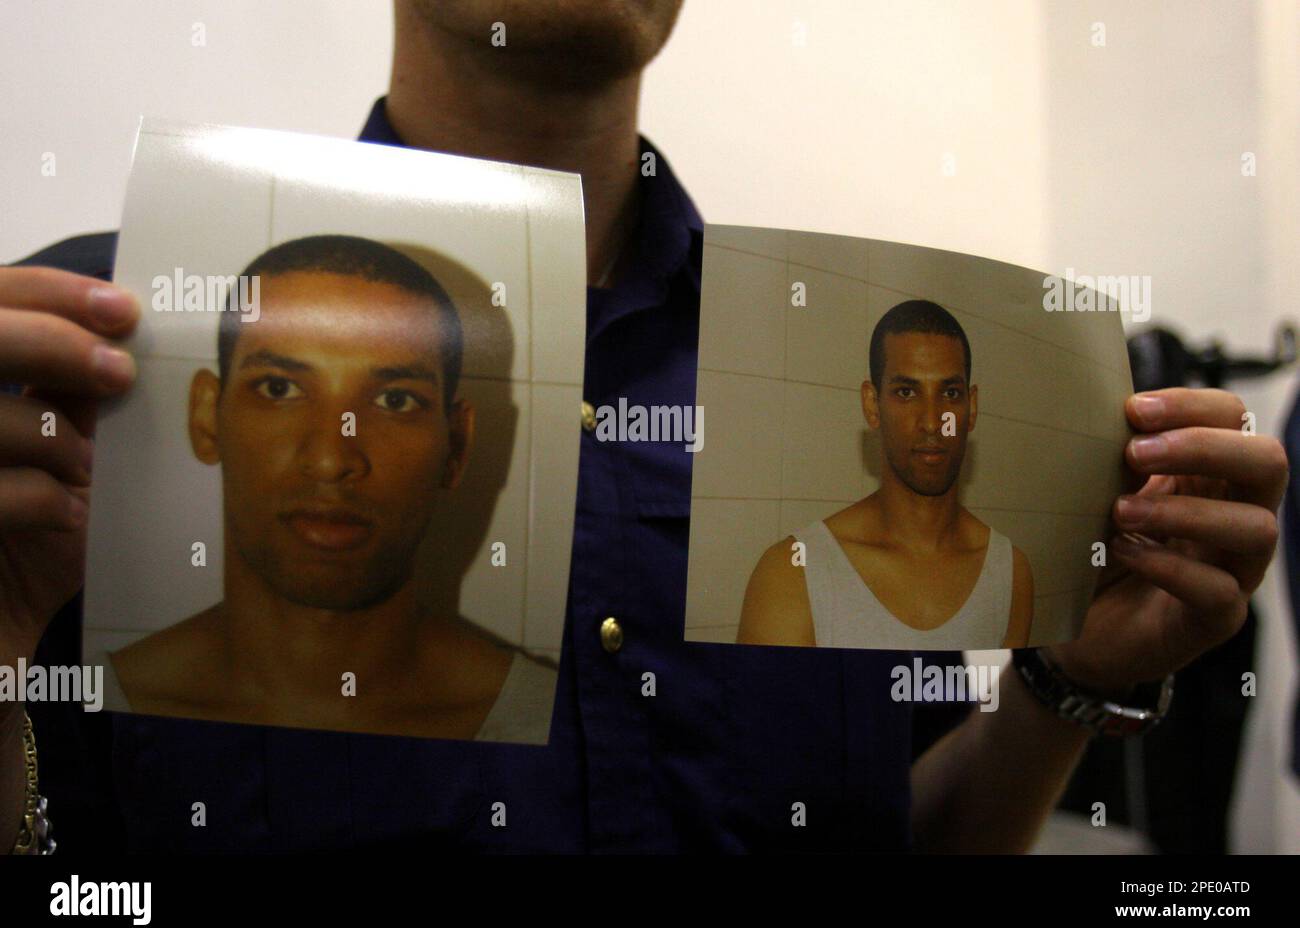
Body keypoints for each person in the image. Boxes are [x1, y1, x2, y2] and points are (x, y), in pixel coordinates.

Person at [1, 0, 1288, 854]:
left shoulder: (816, 373)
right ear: (216, 414)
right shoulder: (88, 375)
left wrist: (1071, 682)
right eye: (284, 391)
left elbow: (903, 837)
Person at [101, 235, 557, 743]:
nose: (331, 460)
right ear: (208, 417)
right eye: (279, 389)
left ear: (455, 447)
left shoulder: (549, 719)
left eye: (396, 400)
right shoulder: (66, 707)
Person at [738, 300, 1033, 650]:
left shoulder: (1009, 573)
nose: (931, 421)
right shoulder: (792, 574)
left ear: (972, 409)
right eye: (906, 393)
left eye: (950, 394)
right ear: (872, 405)